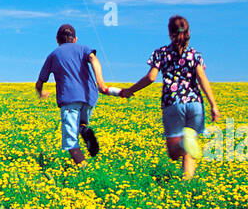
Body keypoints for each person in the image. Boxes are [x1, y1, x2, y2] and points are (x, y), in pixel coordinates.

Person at [121, 15, 220, 179]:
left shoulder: (161, 53)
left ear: (169, 33)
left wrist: (131, 90)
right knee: (189, 150)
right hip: (195, 104)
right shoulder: (195, 55)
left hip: (173, 104)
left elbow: (151, 78)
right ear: (188, 33)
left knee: (174, 154)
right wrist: (213, 105)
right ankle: (186, 186)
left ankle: (183, 145)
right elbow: (202, 78)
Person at [36, 23, 110, 164]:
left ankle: (84, 170)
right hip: (89, 97)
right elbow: (94, 59)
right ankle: (84, 131)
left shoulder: (53, 55)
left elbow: (39, 82)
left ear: (57, 39)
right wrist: (100, 82)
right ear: (75, 39)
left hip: (69, 98)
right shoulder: (83, 49)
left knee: (70, 140)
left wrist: (41, 93)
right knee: (81, 123)